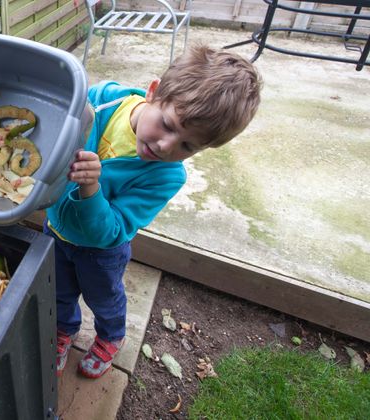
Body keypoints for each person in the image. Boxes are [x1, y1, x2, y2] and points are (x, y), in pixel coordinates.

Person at [45, 45, 262, 378]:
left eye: (188, 146)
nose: (166, 146)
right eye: (168, 124)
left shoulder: (165, 177)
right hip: (55, 229)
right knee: (58, 290)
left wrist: (91, 188)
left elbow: (113, 229)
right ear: (153, 92)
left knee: (104, 299)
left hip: (101, 252)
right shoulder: (103, 99)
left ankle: (111, 336)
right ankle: (64, 329)